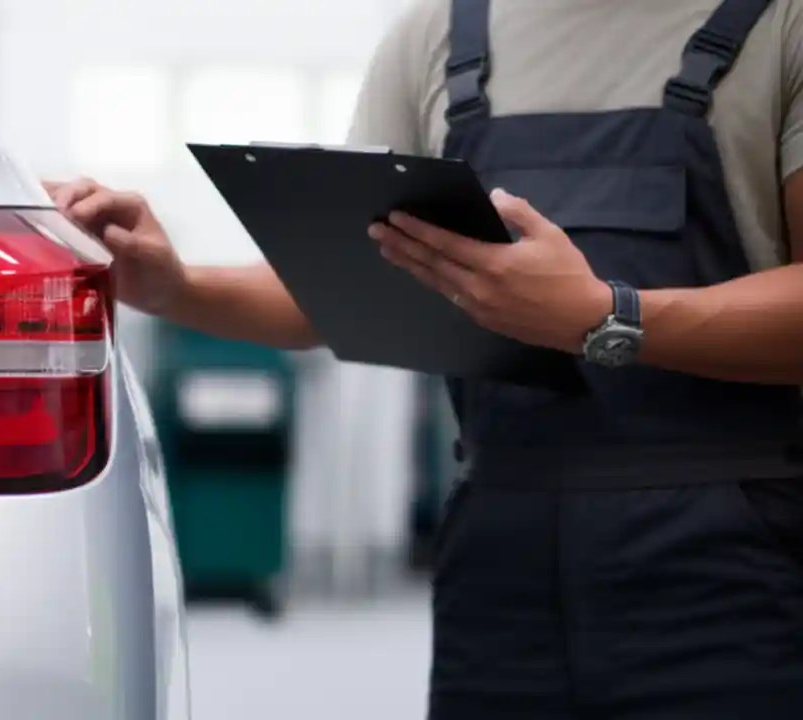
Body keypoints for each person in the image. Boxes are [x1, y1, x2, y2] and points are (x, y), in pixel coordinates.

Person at [46, 0, 803, 717]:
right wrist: (177, 286)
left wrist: (603, 317)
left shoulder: (782, 25)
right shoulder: (441, 35)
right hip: (499, 568)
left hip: (730, 565)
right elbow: (349, 286)